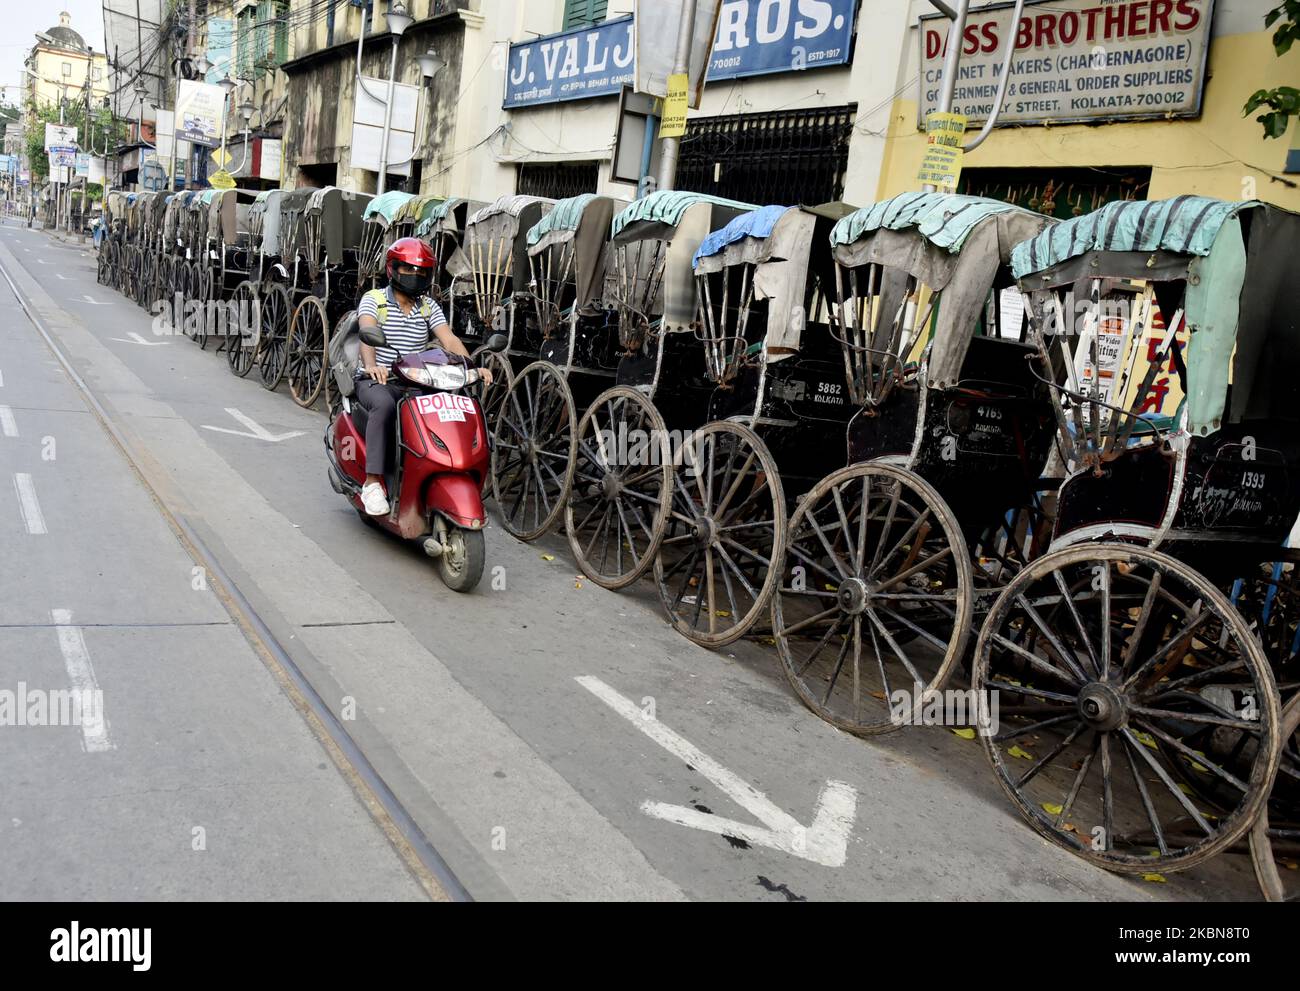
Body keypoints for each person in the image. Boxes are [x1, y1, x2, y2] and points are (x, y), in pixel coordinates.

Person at [354, 237, 491, 516]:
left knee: (452, 407)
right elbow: (366, 331)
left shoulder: (428, 306)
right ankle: (372, 483)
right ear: (392, 269)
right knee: (384, 405)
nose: (415, 276)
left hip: (418, 381)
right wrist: (372, 365)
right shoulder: (375, 299)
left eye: (421, 272)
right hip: (379, 379)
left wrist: (471, 367)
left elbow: (449, 340)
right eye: (408, 269)